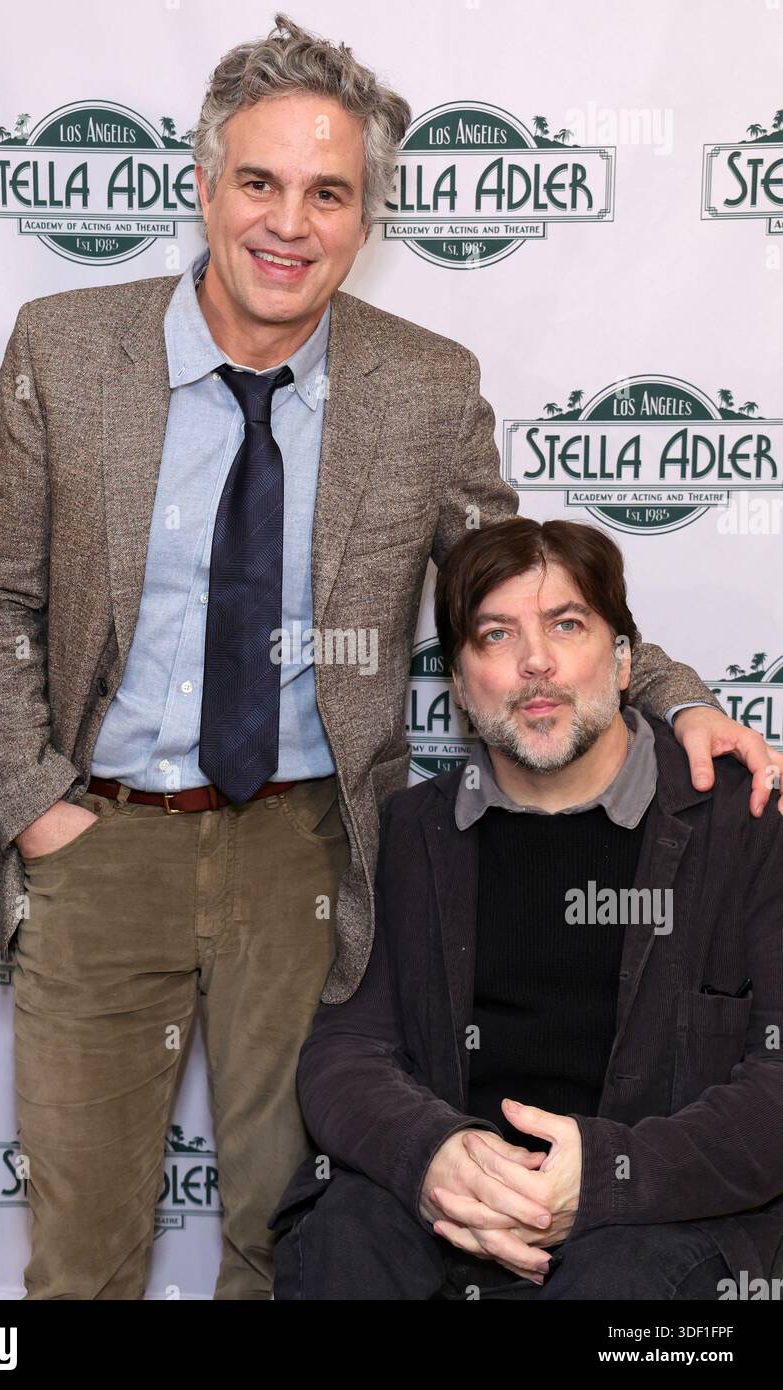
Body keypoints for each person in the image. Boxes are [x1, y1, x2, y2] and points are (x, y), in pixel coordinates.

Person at [0, 14, 782, 1301]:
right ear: (204, 184)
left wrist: (675, 697)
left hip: (309, 856)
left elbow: (518, 586)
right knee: (85, 1252)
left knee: (279, 1235)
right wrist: (34, 802)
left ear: (365, 216)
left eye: (327, 192)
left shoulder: (424, 387)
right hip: (99, 841)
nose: (289, 222)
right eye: (260, 182)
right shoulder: (63, 346)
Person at [270, 517, 783, 1300]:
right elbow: (345, 1049)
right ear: (461, 684)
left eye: (565, 625)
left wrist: (612, 1176)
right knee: (343, 1237)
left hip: (658, 1221)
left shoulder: (741, 824)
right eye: (495, 635)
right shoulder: (411, 831)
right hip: (452, 1209)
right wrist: (433, 1152)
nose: (535, 662)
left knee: (621, 1285)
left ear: (620, 662)